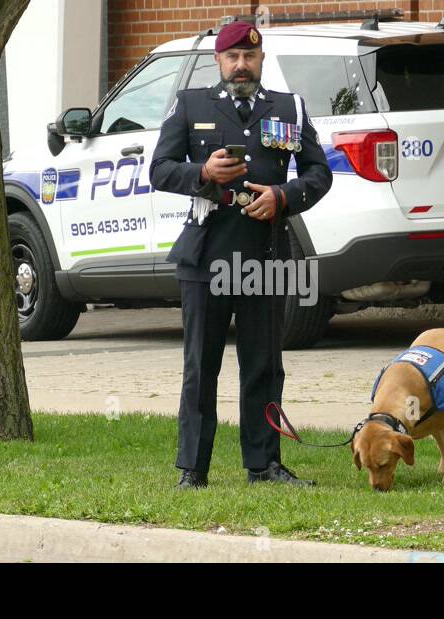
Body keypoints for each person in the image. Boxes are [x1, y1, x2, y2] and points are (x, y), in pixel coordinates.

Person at [149, 21, 332, 489]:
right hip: (205, 253)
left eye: (249, 57)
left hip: (263, 255)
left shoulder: (288, 107)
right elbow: (160, 170)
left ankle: (264, 465)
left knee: (264, 364)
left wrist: (284, 196)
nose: (241, 65)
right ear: (218, 61)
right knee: (200, 365)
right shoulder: (191, 105)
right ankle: (193, 469)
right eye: (232, 57)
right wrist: (202, 171)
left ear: (261, 59)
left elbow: (318, 173)